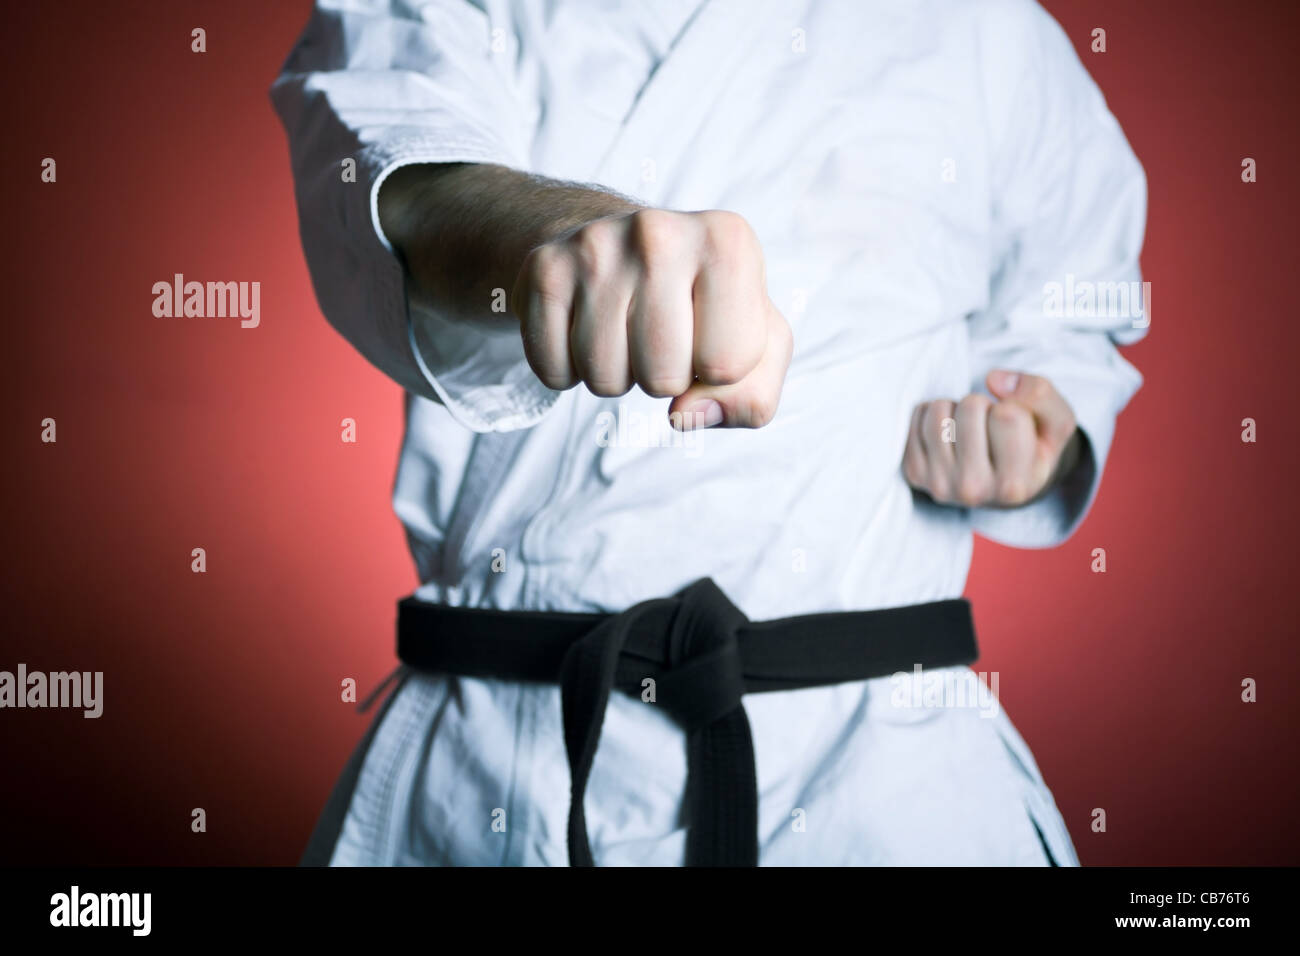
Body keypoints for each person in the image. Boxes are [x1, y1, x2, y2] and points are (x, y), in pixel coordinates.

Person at [270, 0, 1147, 866]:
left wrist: (1034, 434)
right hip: (504, 767)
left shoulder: (988, 31)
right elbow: (398, 185)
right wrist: (558, 238)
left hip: (881, 776)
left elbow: (1067, 320)